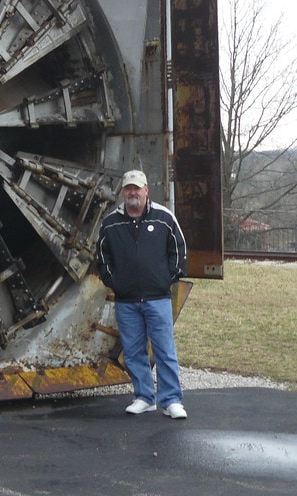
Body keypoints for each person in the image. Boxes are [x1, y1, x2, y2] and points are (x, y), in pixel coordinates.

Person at [97, 169, 188, 419]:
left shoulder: (164, 218)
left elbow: (178, 249)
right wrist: (113, 282)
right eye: (128, 188)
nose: (132, 192)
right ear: (123, 192)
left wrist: (168, 278)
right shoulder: (110, 223)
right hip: (127, 301)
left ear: (146, 190)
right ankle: (144, 397)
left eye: (137, 188)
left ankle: (171, 401)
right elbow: (103, 257)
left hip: (157, 298)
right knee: (134, 351)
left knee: (164, 350)